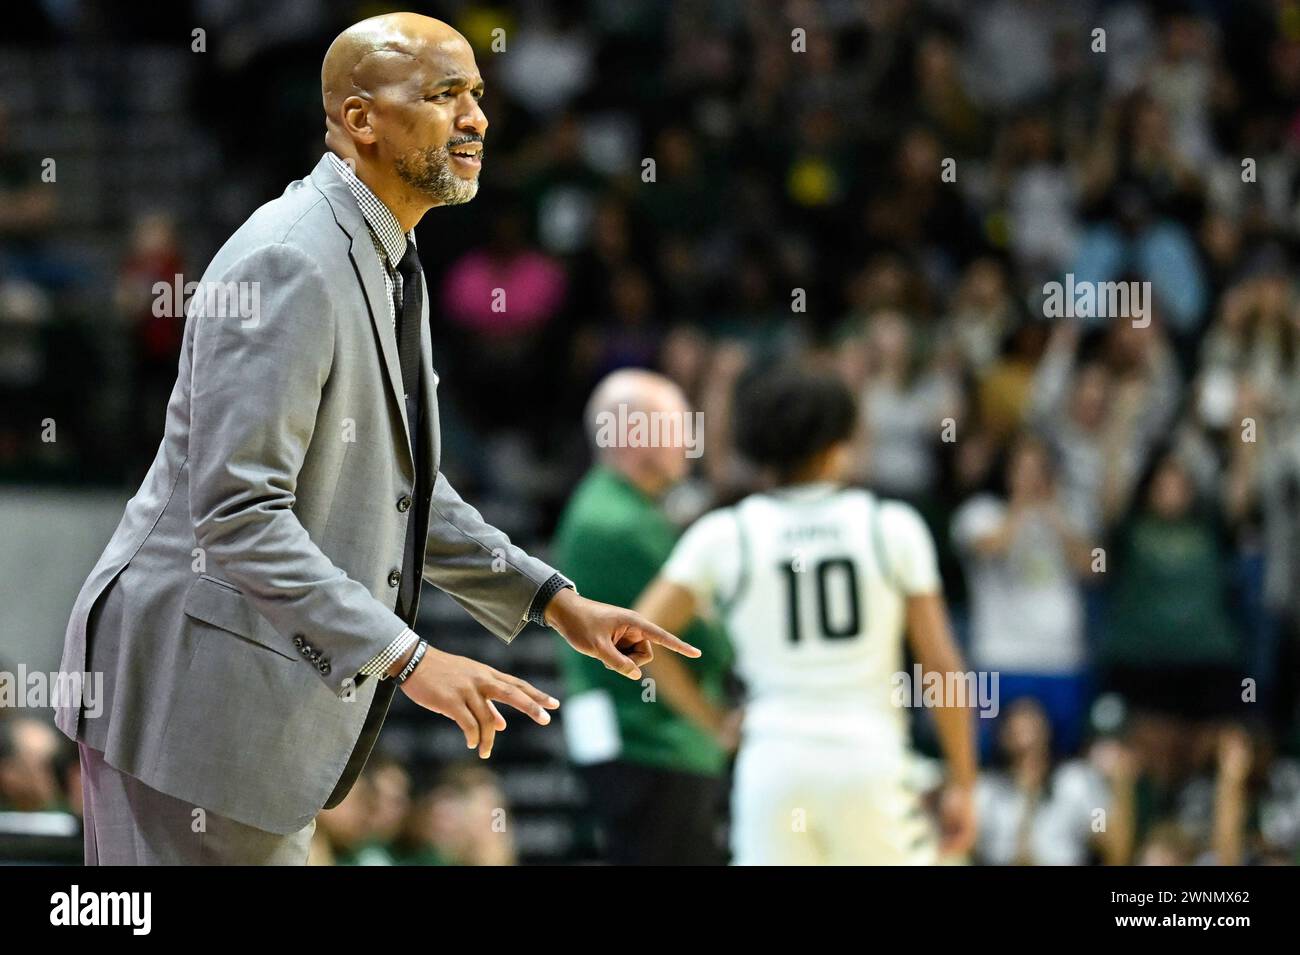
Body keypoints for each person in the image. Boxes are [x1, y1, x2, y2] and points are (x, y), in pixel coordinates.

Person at [53, 12, 694, 866]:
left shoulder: (385, 251)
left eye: (475, 93)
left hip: (246, 694)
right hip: (188, 694)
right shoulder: (291, 260)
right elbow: (238, 513)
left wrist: (550, 600)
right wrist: (408, 657)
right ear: (360, 120)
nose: (477, 118)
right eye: (443, 95)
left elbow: (404, 486)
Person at [636, 367, 977, 864]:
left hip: (774, 763)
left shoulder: (726, 533)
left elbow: (635, 636)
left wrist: (713, 721)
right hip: (869, 759)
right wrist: (964, 782)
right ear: (840, 440)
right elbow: (942, 667)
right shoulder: (891, 526)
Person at [553, 369, 736, 865]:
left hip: (631, 742)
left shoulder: (603, 506)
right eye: (678, 427)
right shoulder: (624, 525)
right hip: (654, 744)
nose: (689, 442)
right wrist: (716, 721)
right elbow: (695, 642)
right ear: (636, 435)